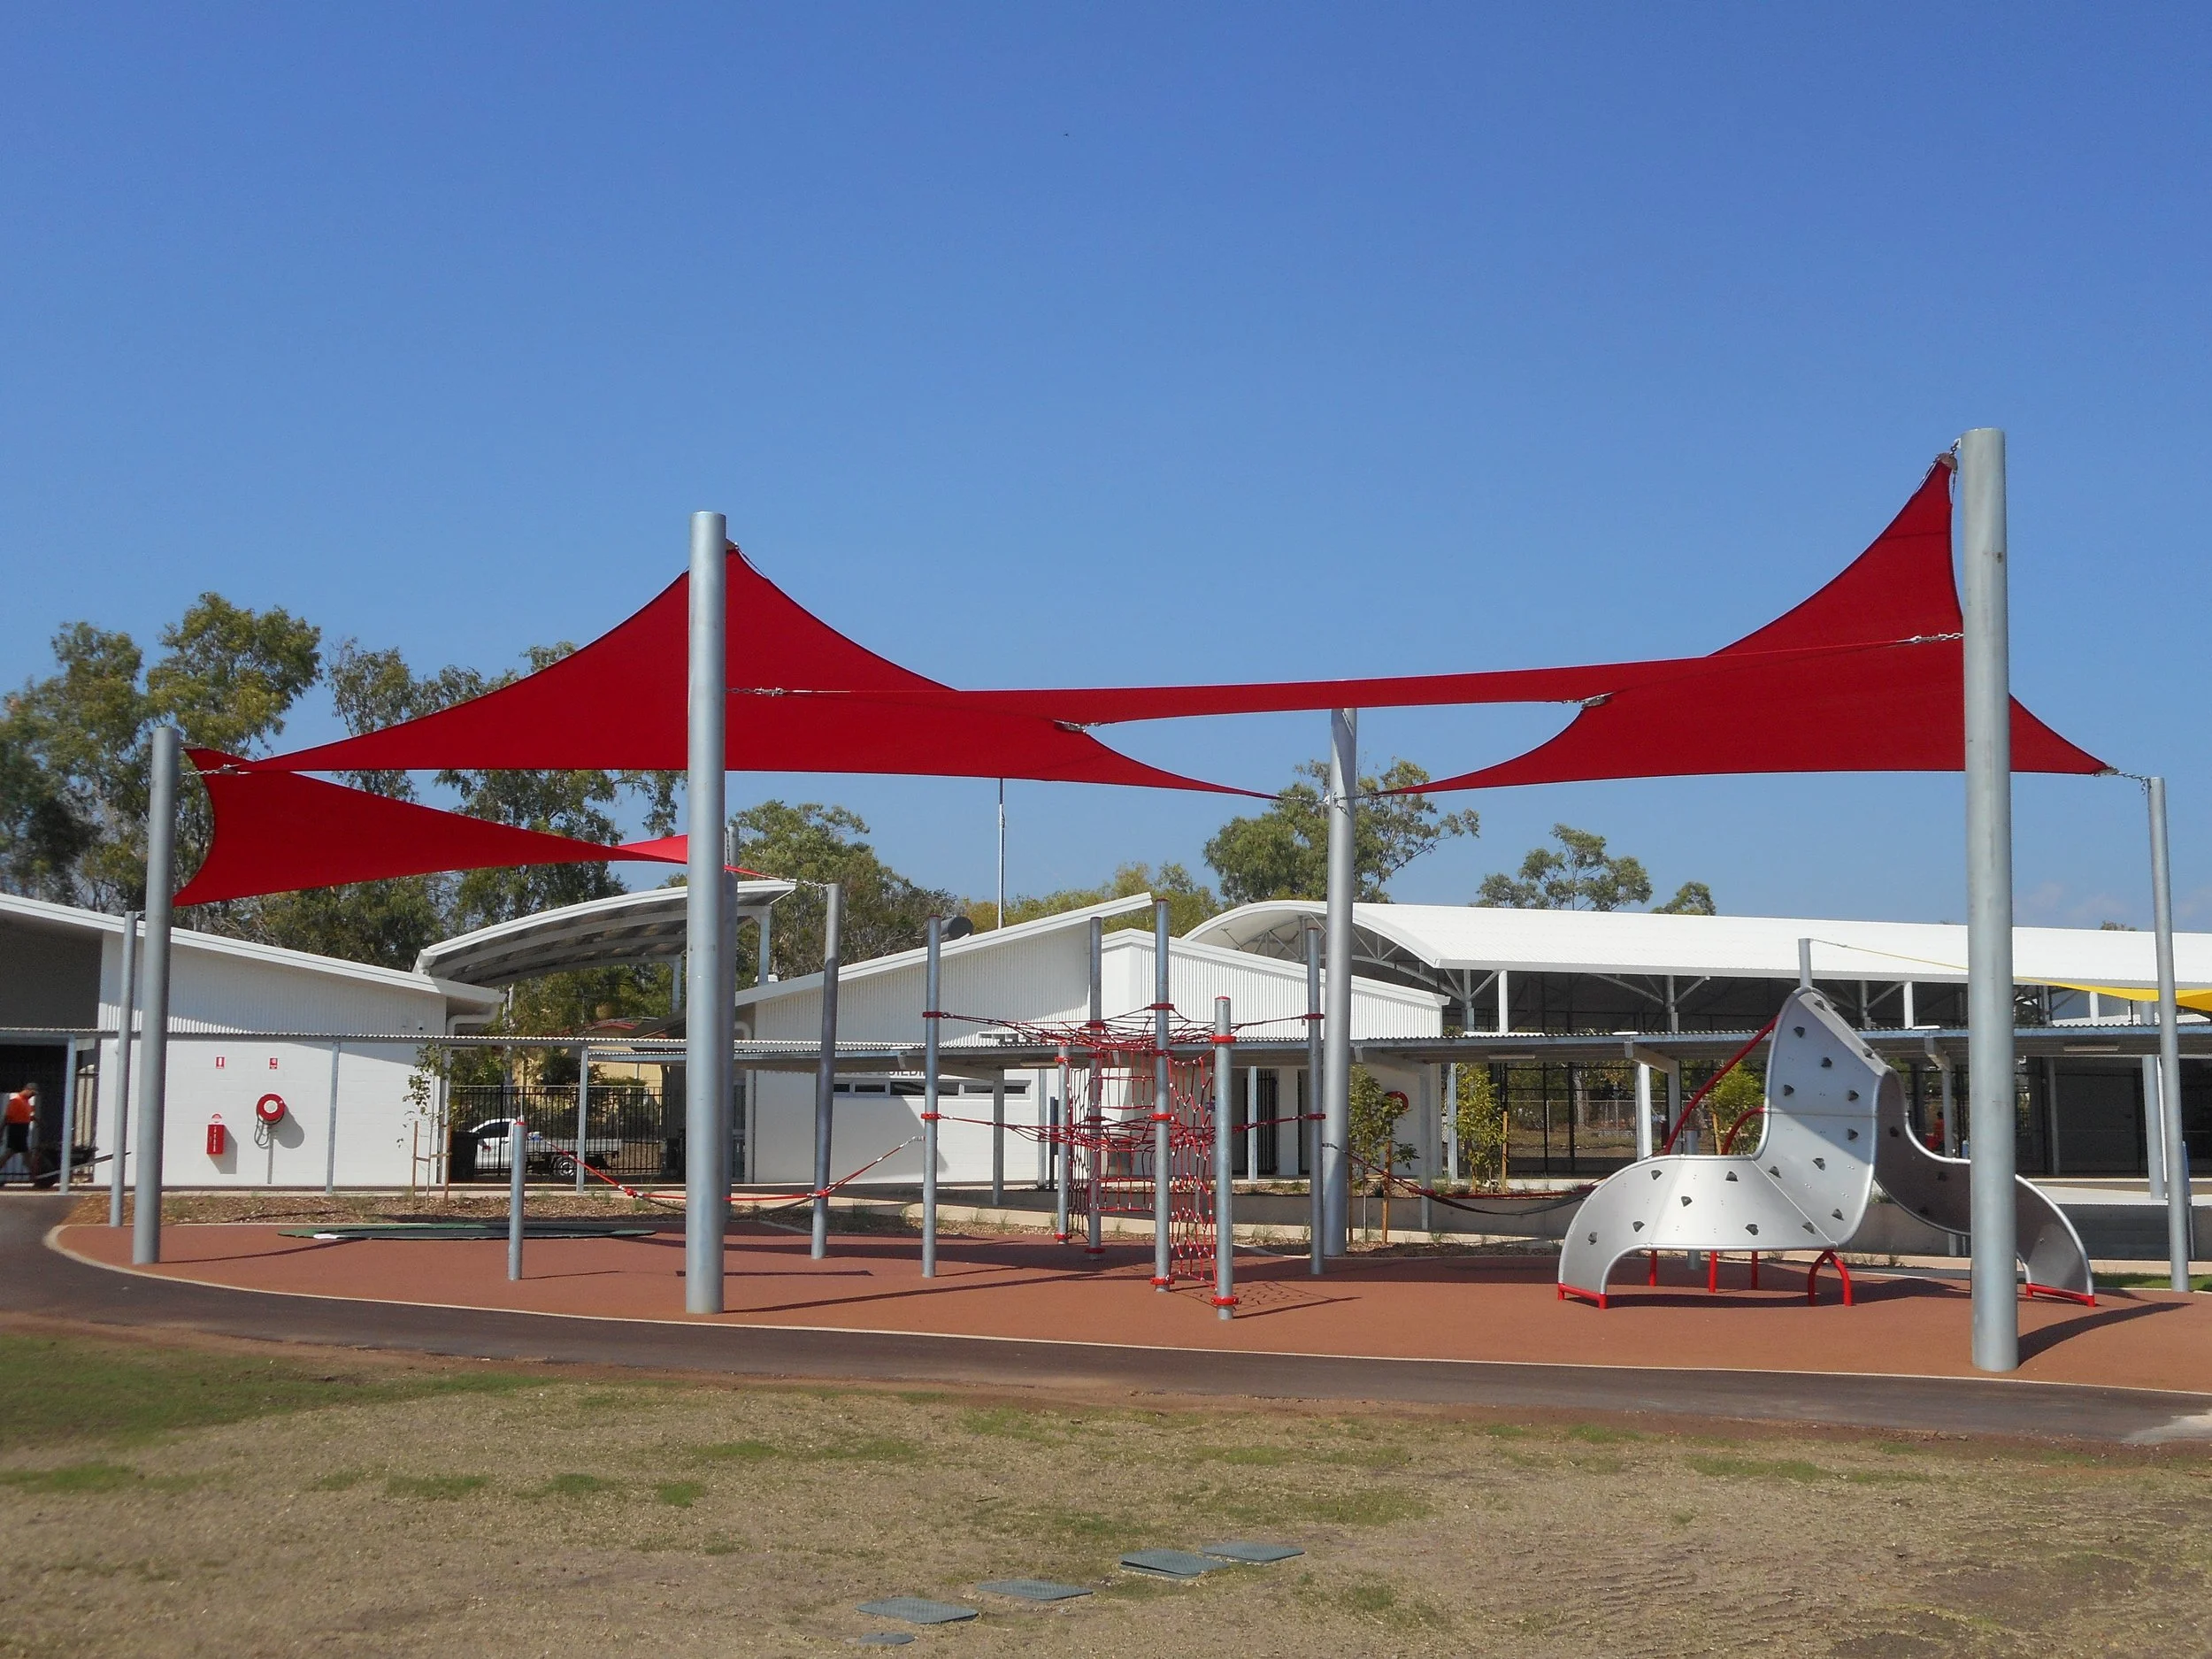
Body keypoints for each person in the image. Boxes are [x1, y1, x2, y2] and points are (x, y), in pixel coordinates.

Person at [2, 1083, 35, 1183]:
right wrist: (1, 1131)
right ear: (27, 1089)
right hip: (16, 1130)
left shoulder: (26, 1102)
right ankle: (34, 1177)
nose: (32, 1095)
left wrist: (36, 1119)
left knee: (21, 1154)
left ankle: (34, 1177)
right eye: (32, 1093)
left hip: (22, 1130)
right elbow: (7, 1118)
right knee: (17, 1154)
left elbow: (25, 1116)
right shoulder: (16, 1101)